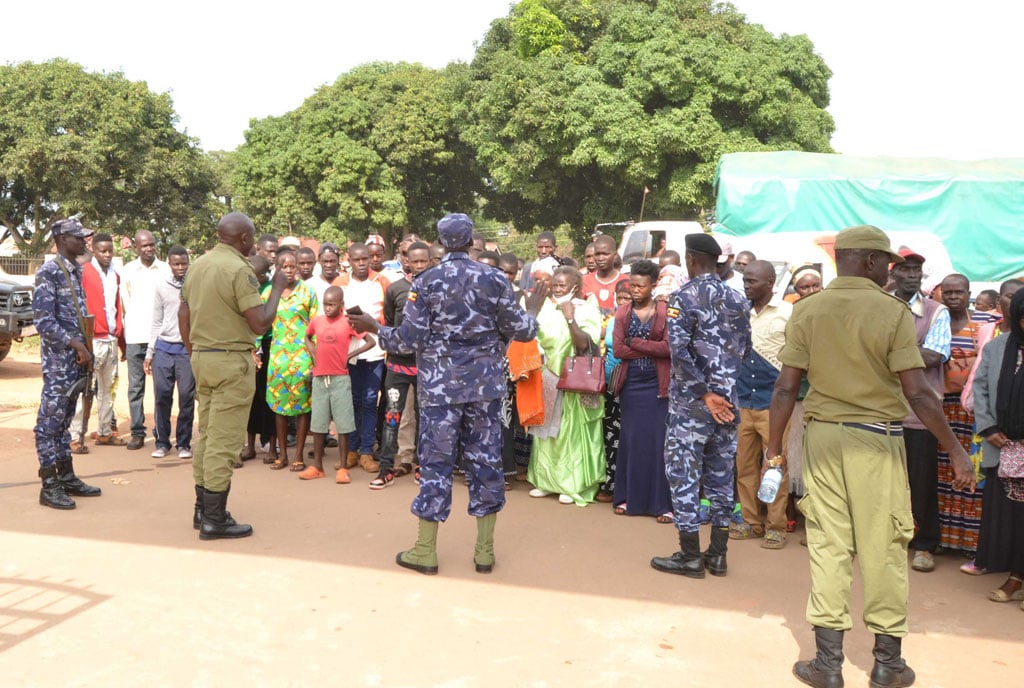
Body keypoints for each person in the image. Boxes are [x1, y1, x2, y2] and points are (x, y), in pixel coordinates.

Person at [764, 225, 975, 688]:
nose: (892, 272)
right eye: (888, 263)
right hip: (875, 442)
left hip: (822, 441)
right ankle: (887, 664)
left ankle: (827, 665)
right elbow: (917, 393)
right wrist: (956, 449)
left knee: (828, 546)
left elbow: (785, 388)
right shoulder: (892, 311)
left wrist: (773, 451)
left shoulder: (808, 310)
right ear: (871, 262)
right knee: (884, 547)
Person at [350, 213, 543, 576]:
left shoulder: (427, 281)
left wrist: (375, 327)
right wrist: (531, 313)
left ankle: (426, 551)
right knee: (485, 463)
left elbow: (407, 340)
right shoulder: (494, 279)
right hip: (484, 389)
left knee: (436, 465)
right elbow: (522, 330)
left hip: (441, 390)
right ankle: (484, 553)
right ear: (470, 241)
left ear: (440, 242)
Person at [180, 212, 288, 539]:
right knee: (224, 442)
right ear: (244, 238)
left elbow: (183, 312)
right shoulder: (239, 271)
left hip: (203, 358)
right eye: (252, 238)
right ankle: (215, 518)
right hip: (230, 362)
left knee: (208, 435)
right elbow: (260, 322)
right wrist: (277, 288)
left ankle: (202, 510)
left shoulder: (198, 265)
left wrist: (195, 350)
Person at [650, 233, 750, 579]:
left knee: (684, 477)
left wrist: (706, 394)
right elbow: (745, 349)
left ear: (691, 260)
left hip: (692, 406)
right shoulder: (738, 299)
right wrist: (721, 389)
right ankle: (718, 555)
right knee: (721, 478)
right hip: (728, 404)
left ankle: (690, 556)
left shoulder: (683, 297)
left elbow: (679, 354)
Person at [33, 218, 103, 509]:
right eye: (79, 237)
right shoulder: (49, 271)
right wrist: (76, 345)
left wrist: (86, 348)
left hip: (76, 360)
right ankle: (49, 485)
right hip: (59, 363)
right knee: (49, 423)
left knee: (64, 422)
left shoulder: (74, 270)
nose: (85, 241)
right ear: (62, 239)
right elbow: (44, 322)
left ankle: (66, 476)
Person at [890, 248, 951, 573]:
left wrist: (890, 353)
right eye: (906, 269)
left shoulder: (935, 311)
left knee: (922, 481)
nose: (912, 275)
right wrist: (911, 351)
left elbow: (934, 355)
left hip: (920, 413)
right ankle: (887, 539)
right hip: (882, 410)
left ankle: (925, 544)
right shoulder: (881, 305)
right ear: (893, 273)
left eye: (917, 270)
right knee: (883, 479)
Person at [527, 266, 606, 506]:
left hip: (576, 380)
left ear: (576, 287)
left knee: (571, 433)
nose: (557, 289)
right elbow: (530, 335)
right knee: (546, 434)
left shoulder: (587, 309)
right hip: (549, 376)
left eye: (562, 285)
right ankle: (546, 481)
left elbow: (585, 345)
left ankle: (571, 484)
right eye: (555, 285)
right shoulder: (546, 308)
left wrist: (570, 316)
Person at [936, 274, 998, 556]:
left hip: (974, 411)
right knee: (944, 472)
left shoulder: (984, 324)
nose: (952, 297)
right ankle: (945, 538)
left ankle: (971, 542)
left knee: (974, 469)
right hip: (941, 409)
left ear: (969, 294)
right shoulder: (936, 322)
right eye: (947, 292)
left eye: (958, 292)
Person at [732, 260, 793, 549]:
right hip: (743, 400)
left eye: (752, 281)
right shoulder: (739, 312)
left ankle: (776, 526)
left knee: (774, 466)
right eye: (744, 280)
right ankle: (751, 522)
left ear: (770, 283)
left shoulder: (787, 313)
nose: (746, 286)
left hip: (773, 404)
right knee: (744, 466)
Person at [971, 288, 1024, 606]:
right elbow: (980, 389)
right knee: (1012, 517)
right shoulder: (997, 347)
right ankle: (1016, 576)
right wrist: (988, 427)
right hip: (1006, 446)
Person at [610, 260, 673, 522]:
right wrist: (649, 347)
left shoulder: (666, 311)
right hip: (632, 384)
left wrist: (634, 342)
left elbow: (669, 348)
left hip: (658, 386)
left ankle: (662, 505)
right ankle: (627, 498)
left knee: (659, 442)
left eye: (641, 286)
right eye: (632, 286)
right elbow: (618, 350)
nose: (635, 290)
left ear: (653, 285)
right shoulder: (622, 313)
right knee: (632, 440)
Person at [372, 241, 432, 489]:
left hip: (426, 366)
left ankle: (421, 466)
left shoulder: (436, 290)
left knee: (424, 418)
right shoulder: (395, 289)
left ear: (430, 261)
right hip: (397, 365)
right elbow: (388, 323)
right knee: (392, 416)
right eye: (414, 261)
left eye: (423, 261)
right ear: (406, 261)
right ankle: (386, 469)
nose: (418, 265)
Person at [303, 286, 374, 482]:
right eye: (325, 304)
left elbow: (370, 341)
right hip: (319, 378)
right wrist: (314, 353)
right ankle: (317, 466)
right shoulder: (317, 321)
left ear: (341, 305)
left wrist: (350, 356)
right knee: (318, 425)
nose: (327, 308)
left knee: (343, 425)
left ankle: (343, 468)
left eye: (332, 305)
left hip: (340, 378)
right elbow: (307, 336)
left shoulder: (349, 322)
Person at [263, 250, 318, 471]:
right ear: (276, 268)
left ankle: (299, 455)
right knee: (279, 406)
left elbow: (315, 326)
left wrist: (316, 356)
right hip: (278, 358)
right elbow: (260, 324)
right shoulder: (269, 293)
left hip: (303, 357)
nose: (288, 270)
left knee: (303, 406)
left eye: (292, 266)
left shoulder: (308, 292)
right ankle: (283, 455)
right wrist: (255, 350)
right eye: (283, 266)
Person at [71, 232, 126, 451]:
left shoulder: (115, 275)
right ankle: (75, 436)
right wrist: (81, 342)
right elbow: (78, 308)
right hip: (91, 341)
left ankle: (104, 431)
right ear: (93, 250)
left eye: (110, 251)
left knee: (108, 389)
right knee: (84, 389)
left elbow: (117, 308)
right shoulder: (84, 273)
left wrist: (121, 340)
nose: (107, 255)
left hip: (111, 340)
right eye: (103, 251)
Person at [343, 242, 390, 472]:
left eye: (365, 259)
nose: (362, 263)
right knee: (352, 400)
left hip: (375, 351)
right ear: (349, 260)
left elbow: (388, 317)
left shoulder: (382, 282)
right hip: (349, 352)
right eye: (357, 260)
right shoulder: (341, 283)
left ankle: (367, 451)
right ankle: (351, 450)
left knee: (371, 401)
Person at [121, 230, 170, 450]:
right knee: (135, 388)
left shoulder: (166, 269)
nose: (149, 248)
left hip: (160, 338)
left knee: (162, 389)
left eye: (151, 244)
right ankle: (137, 432)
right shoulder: (128, 271)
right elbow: (125, 303)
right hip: (135, 336)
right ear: (136, 248)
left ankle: (161, 432)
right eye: (144, 246)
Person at [145, 246, 195, 460]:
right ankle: (162, 442)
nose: (181, 267)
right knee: (162, 397)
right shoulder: (161, 285)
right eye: (176, 264)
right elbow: (156, 320)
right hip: (164, 348)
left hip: (187, 350)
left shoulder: (195, 285)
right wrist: (150, 352)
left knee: (187, 397)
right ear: (169, 264)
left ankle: (184, 443)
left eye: (184, 263)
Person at [597, 281, 633, 503]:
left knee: (628, 436)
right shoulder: (611, 320)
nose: (623, 302)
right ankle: (609, 484)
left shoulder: (639, 321)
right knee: (610, 435)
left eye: (627, 297)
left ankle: (627, 486)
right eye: (620, 298)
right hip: (610, 384)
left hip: (631, 384)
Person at [242, 255, 277, 464]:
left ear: (266, 273)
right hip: (249, 346)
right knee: (251, 398)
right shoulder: (246, 288)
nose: (255, 279)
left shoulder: (273, 291)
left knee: (269, 397)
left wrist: (260, 349)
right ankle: (250, 446)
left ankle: (272, 446)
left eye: (259, 275)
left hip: (270, 345)